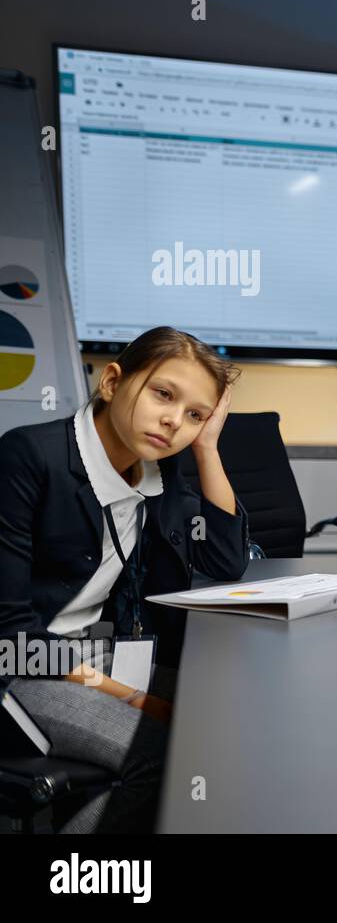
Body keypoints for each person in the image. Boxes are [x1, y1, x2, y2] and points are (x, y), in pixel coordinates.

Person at [0, 326, 250, 831]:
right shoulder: (30, 457)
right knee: (165, 756)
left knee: (235, 716)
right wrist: (131, 696)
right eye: (163, 394)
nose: (173, 420)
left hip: (101, 651)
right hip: (24, 663)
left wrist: (206, 447)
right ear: (113, 383)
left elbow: (224, 559)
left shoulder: (160, 467)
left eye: (194, 414)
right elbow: (9, 632)